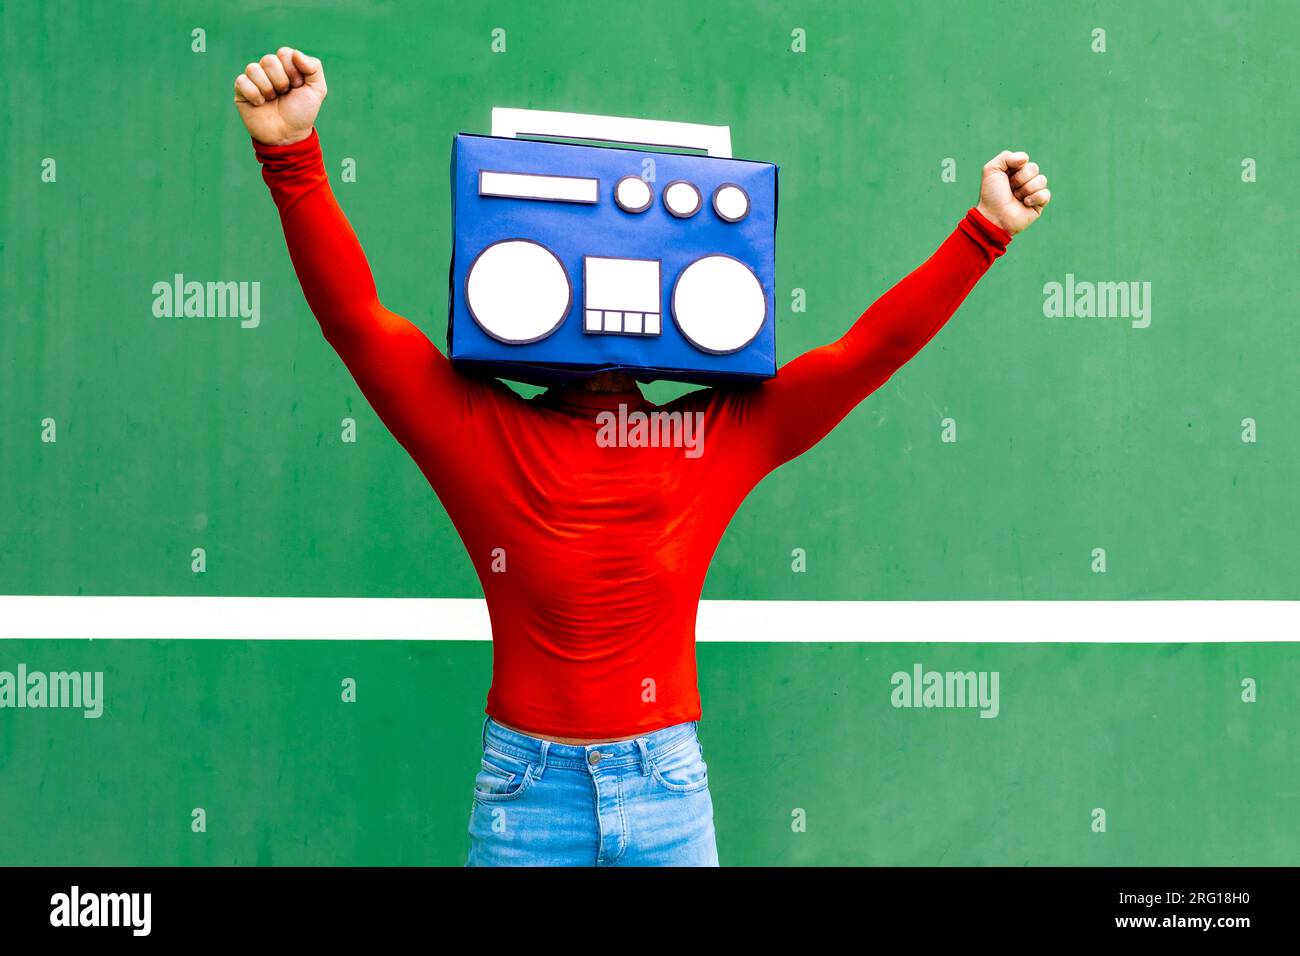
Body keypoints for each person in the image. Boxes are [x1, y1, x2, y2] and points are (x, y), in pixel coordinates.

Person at [233, 48, 1051, 867]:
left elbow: (860, 356)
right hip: (531, 793)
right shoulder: (530, 432)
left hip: (662, 788)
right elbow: (358, 323)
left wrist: (986, 232)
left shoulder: (687, 435)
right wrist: (289, 152)